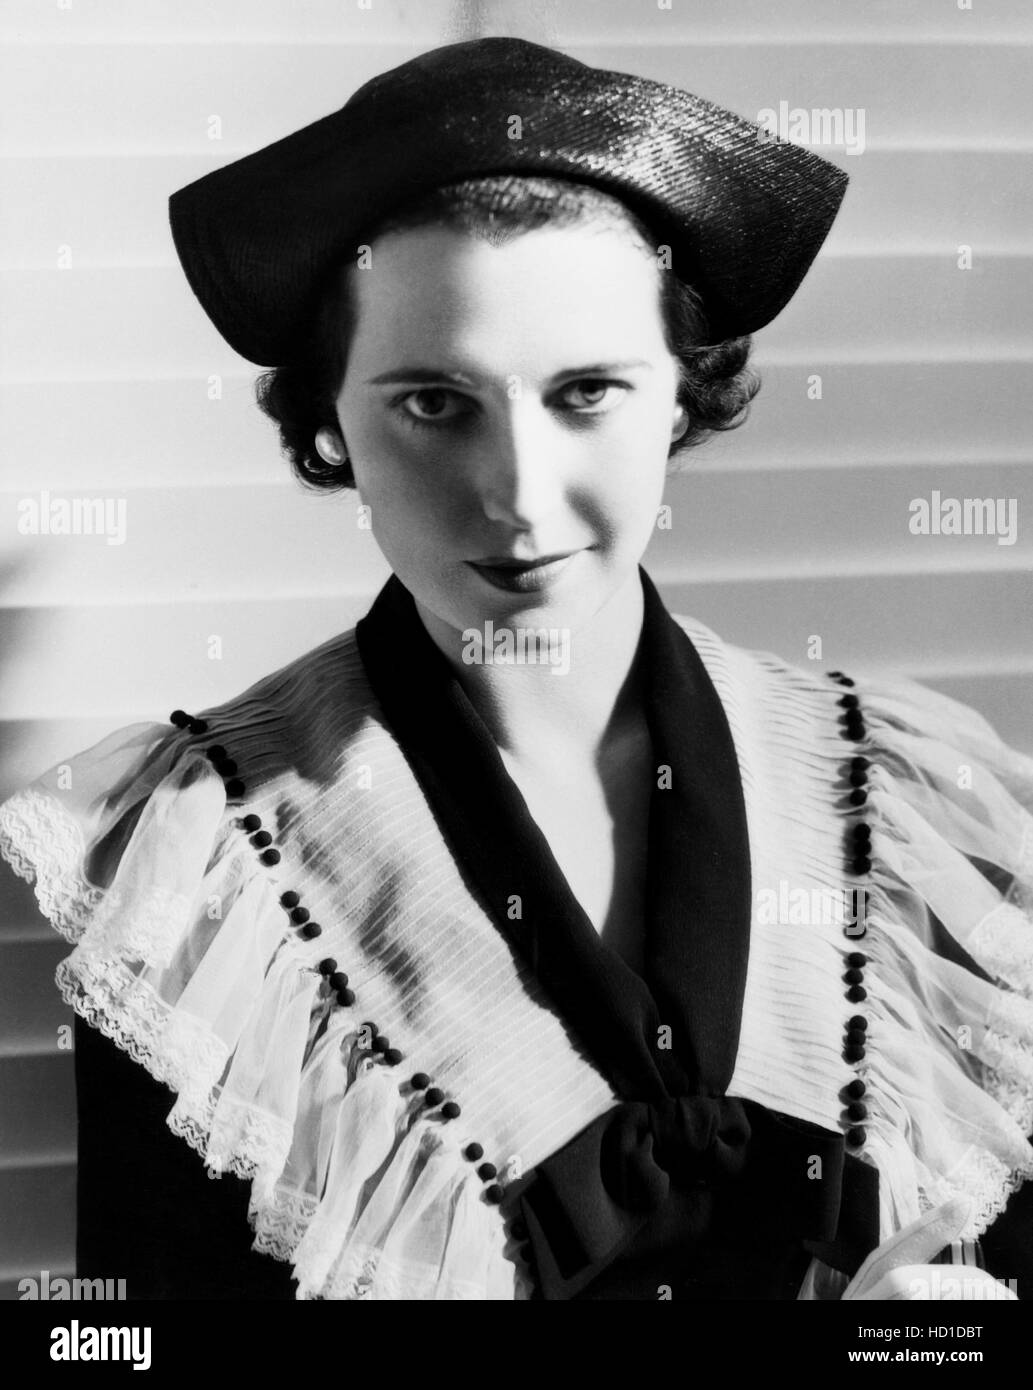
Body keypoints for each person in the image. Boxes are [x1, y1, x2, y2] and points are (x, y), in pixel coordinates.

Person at [2, 36, 1031, 1302]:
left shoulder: (919, 810)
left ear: (679, 396)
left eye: (587, 392)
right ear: (330, 417)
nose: (518, 496)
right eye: (434, 404)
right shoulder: (195, 876)